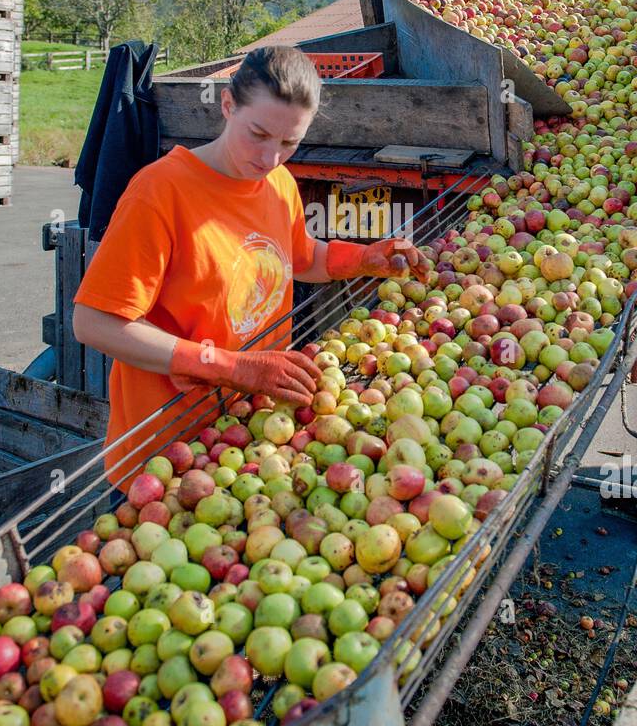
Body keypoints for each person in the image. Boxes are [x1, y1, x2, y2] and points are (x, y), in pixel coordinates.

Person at [72, 45, 417, 484]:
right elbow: (94, 322)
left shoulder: (277, 184)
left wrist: (366, 258)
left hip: (252, 442)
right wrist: (233, 368)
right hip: (167, 456)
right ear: (228, 105)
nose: (270, 158)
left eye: (289, 142)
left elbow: (301, 257)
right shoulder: (160, 193)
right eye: (258, 134)